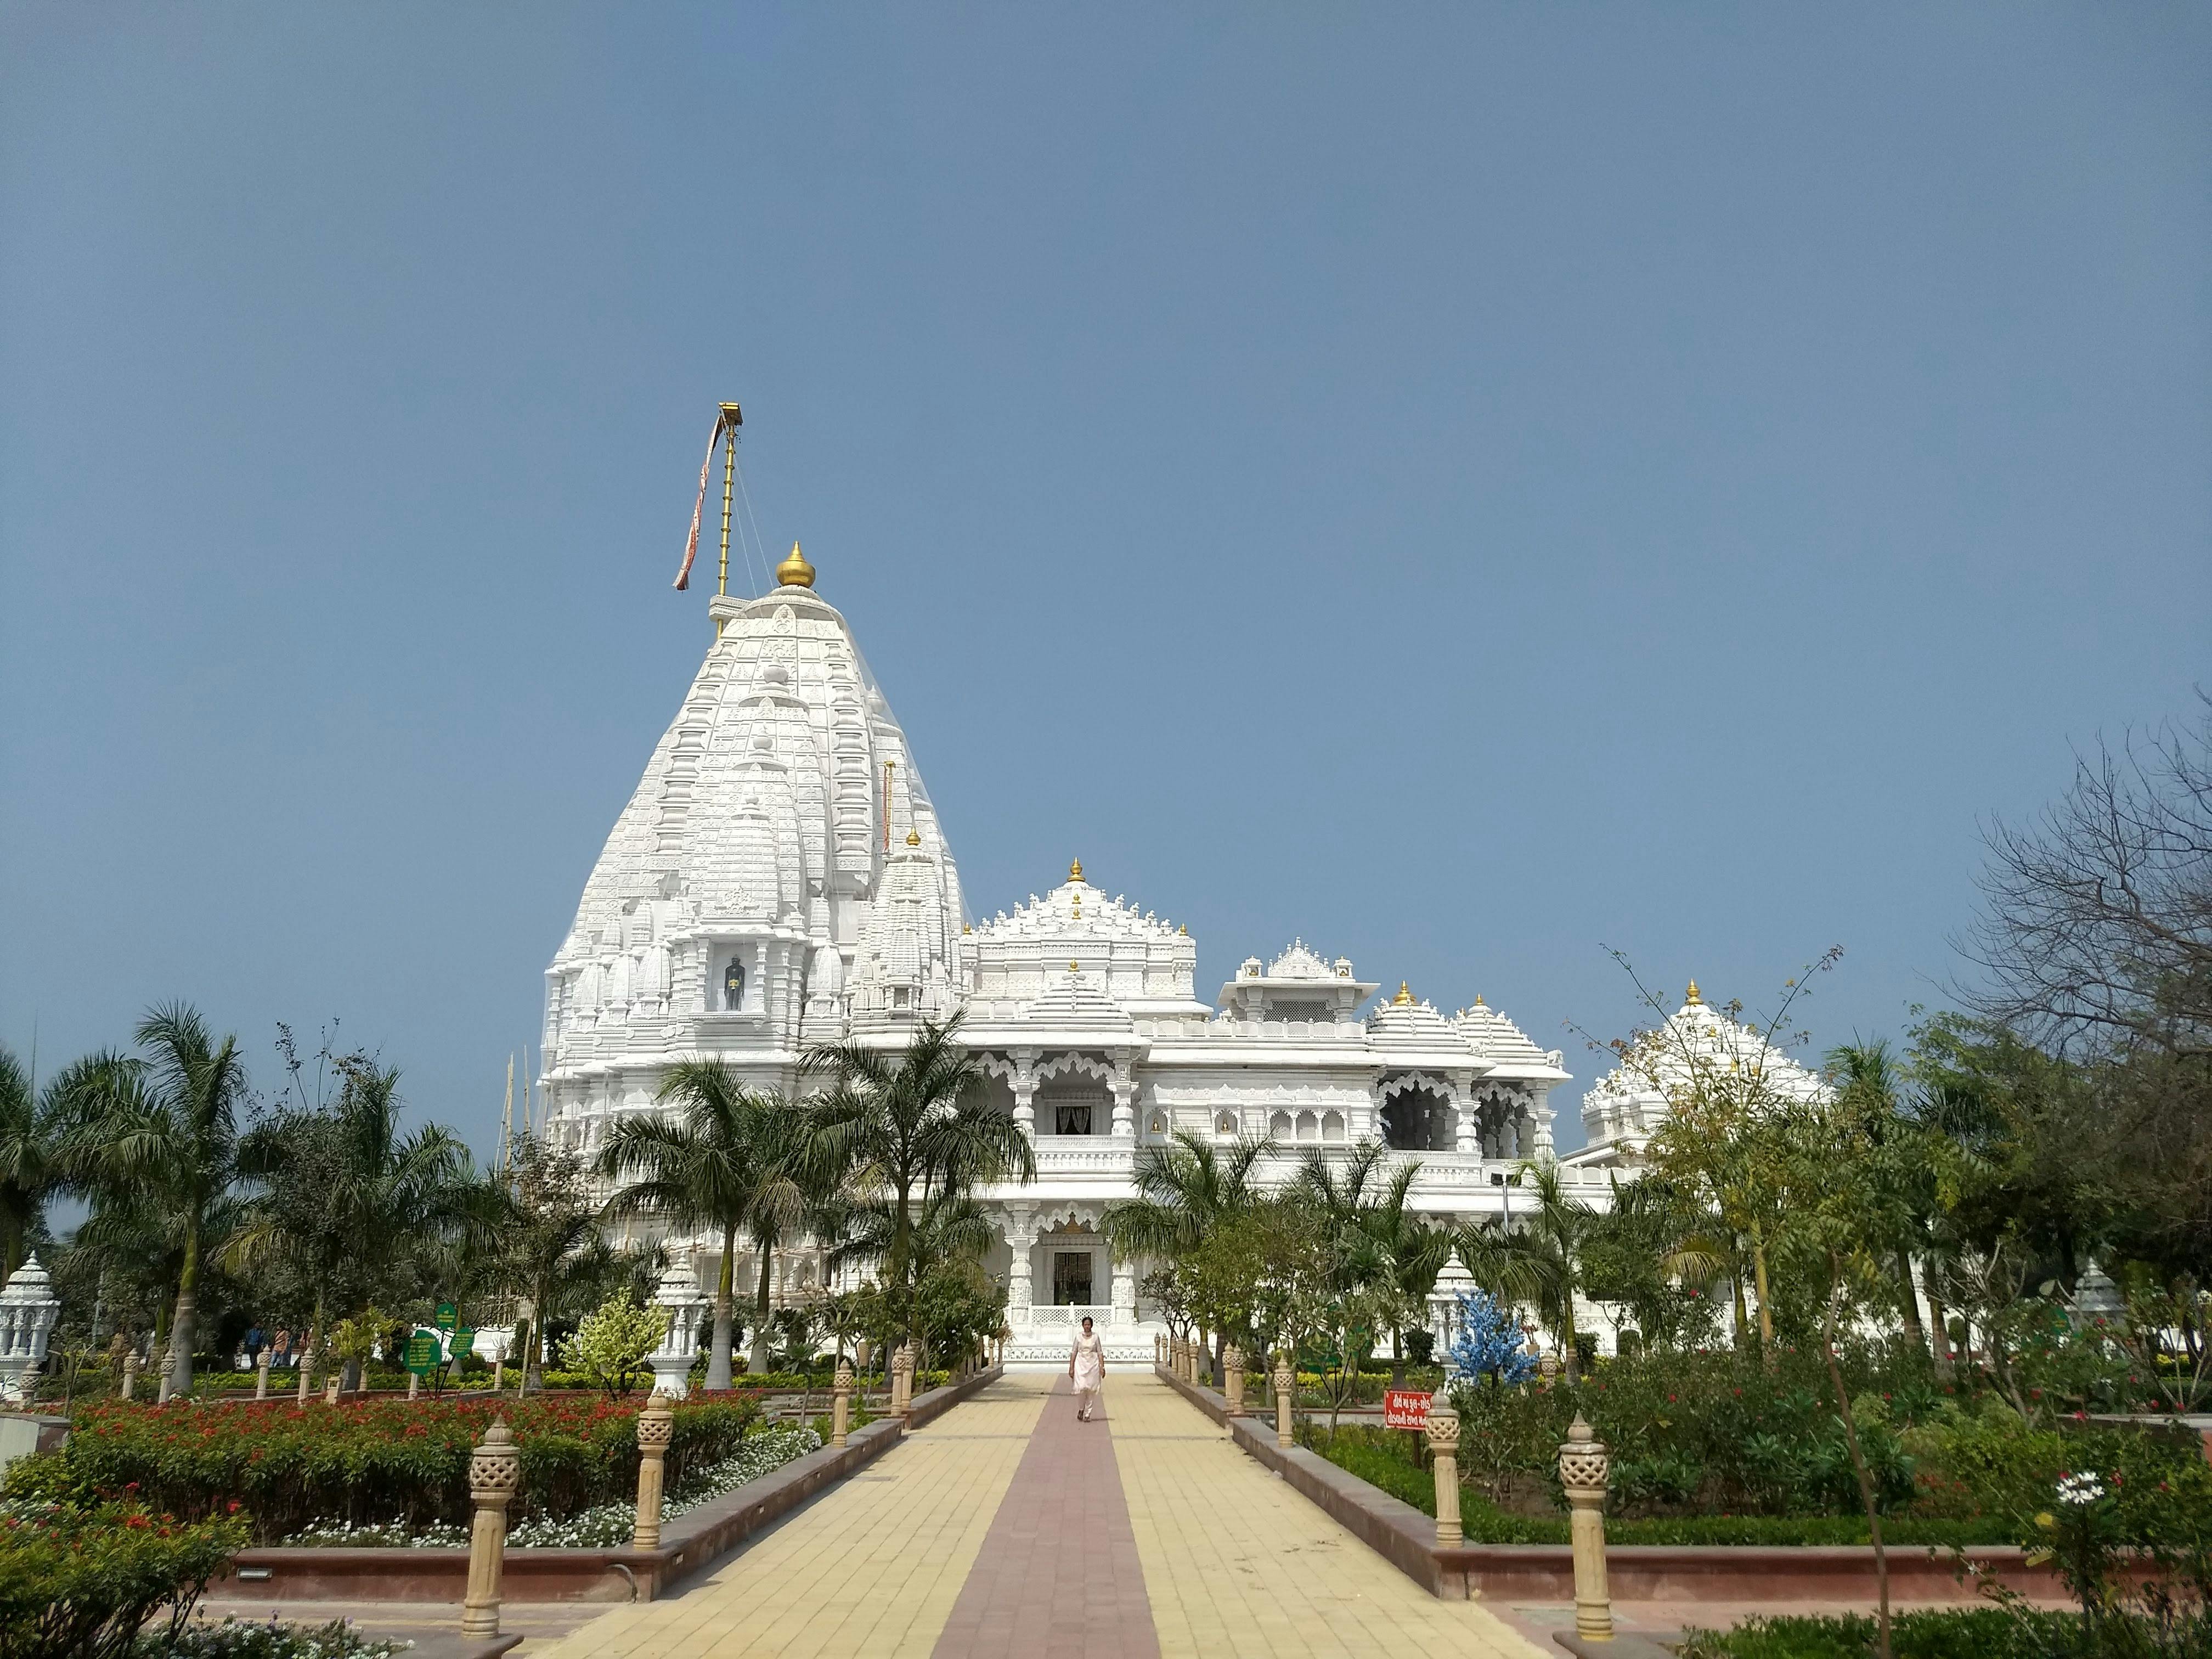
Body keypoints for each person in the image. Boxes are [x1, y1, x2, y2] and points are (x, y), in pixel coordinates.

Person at [1068, 1314, 1105, 1421]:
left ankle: (1088, 1414)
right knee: (1081, 1388)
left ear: (1091, 1326)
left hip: (1093, 1365)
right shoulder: (1078, 1337)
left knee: (1091, 1390)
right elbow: (1074, 1352)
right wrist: (1071, 1367)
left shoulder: (1095, 1337)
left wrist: (1102, 1367)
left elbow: (1100, 1352)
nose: (1087, 1326)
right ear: (1083, 1326)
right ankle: (1081, 1409)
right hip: (1080, 1365)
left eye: (1089, 1325)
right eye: (1085, 1325)